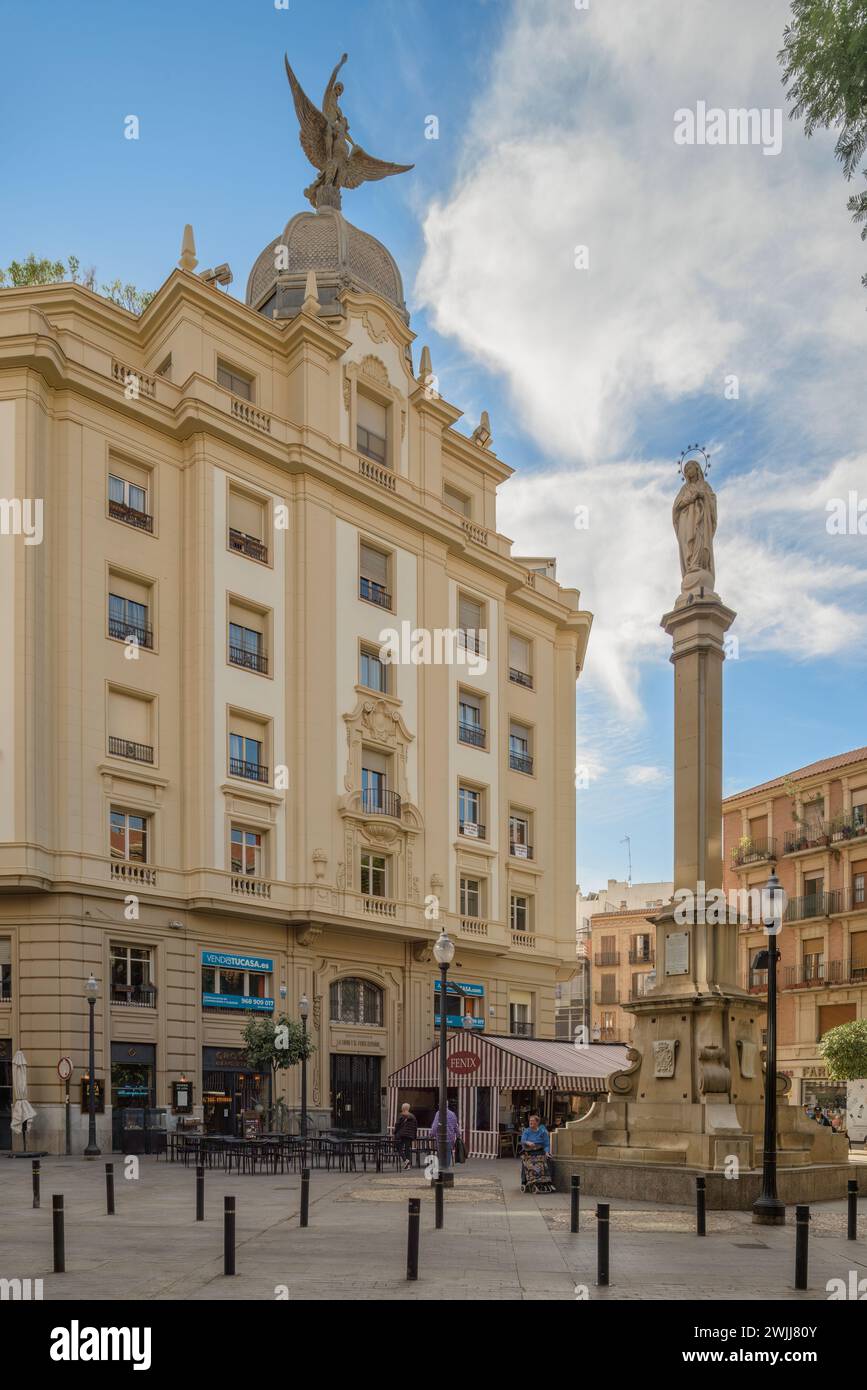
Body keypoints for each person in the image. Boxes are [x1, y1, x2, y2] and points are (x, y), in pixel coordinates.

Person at [429, 1101, 462, 1165]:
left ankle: (442, 1167)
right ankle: (447, 1167)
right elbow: (455, 1126)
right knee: (448, 1153)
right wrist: (458, 1134)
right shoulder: (452, 1114)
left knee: (441, 1153)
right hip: (450, 1137)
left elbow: (435, 1125)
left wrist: (432, 1134)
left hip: (441, 1138)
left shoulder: (438, 1113)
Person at [393, 1102, 418, 1170]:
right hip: (409, 1136)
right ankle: (408, 1165)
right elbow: (415, 1127)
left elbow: (397, 1125)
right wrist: (414, 1137)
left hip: (401, 1135)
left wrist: (395, 1133)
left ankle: (405, 1160)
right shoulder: (413, 1116)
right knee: (408, 1150)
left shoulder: (401, 1115)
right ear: (408, 1108)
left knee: (399, 1148)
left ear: (403, 1108)